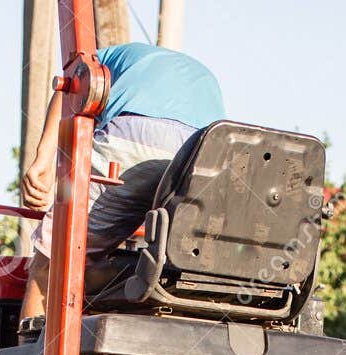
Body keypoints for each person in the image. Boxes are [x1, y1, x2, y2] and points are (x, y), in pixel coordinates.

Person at [20, 41, 224, 323]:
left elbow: (69, 87)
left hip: (134, 136)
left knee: (51, 265)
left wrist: (42, 157)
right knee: (174, 270)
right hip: (199, 150)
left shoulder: (103, 57)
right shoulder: (201, 77)